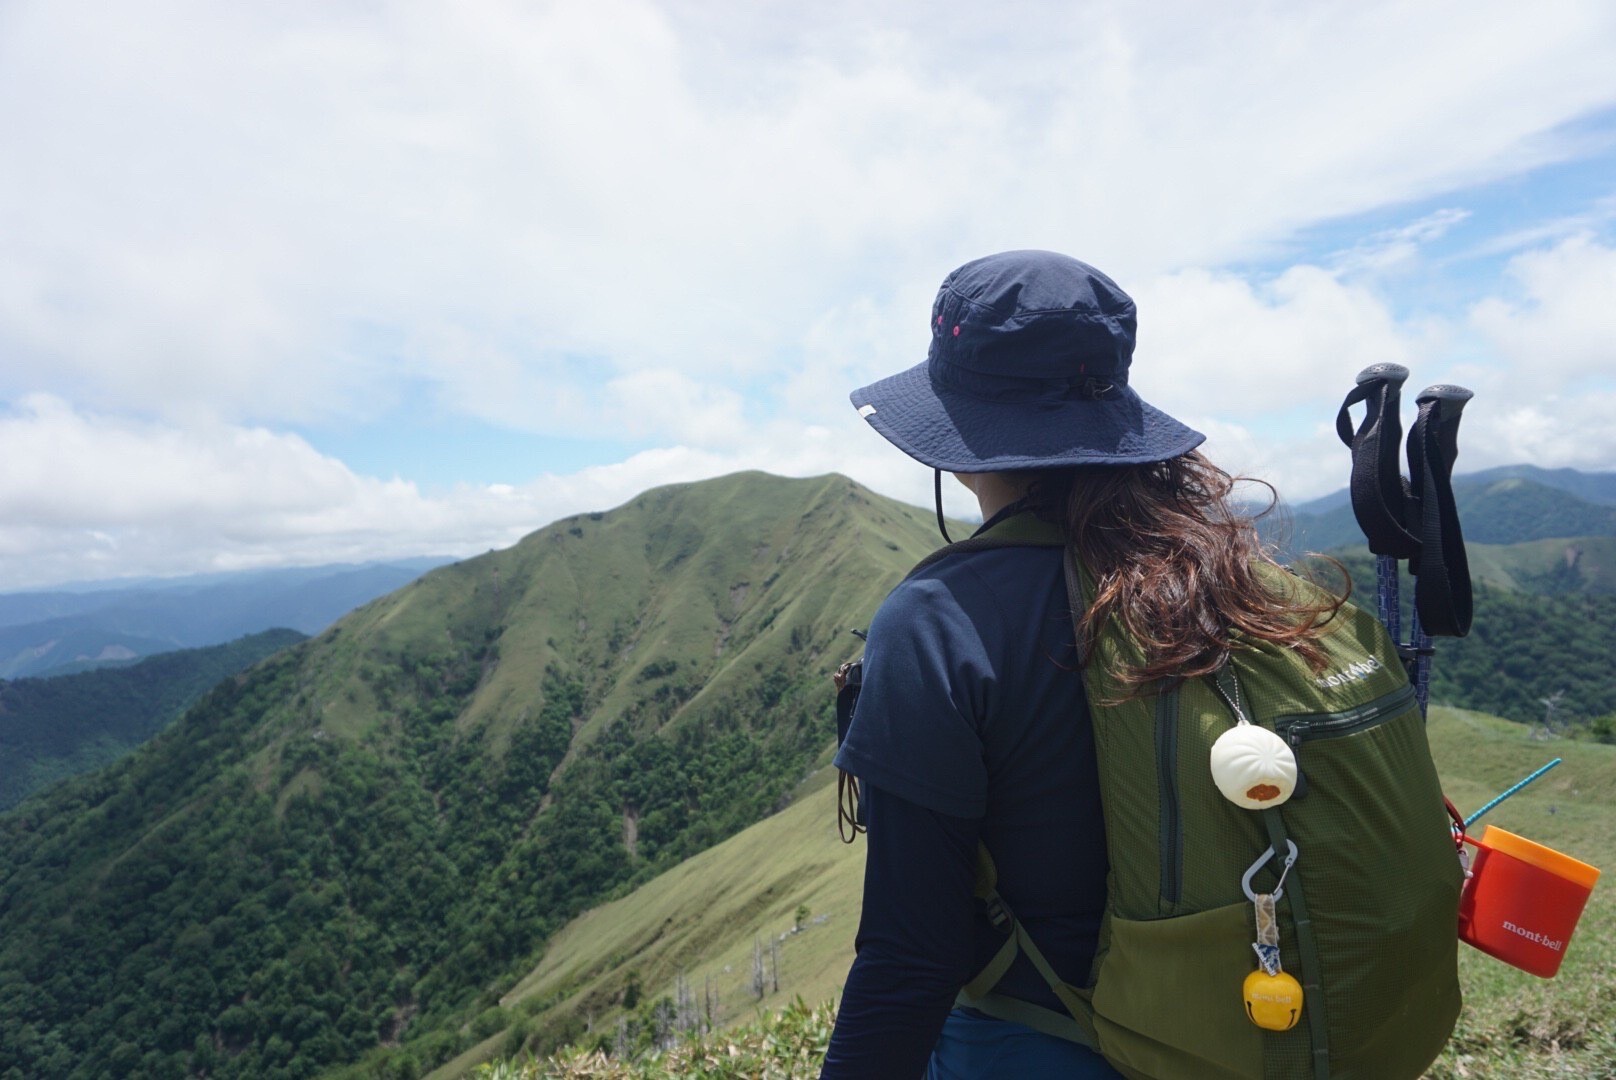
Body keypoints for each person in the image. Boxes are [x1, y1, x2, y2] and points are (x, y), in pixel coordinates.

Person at [819, 250, 1342, 1079]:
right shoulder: (1222, 578)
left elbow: (909, 956)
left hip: (1038, 1043)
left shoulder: (938, 622)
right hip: (1240, 1026)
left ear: (959, 441)